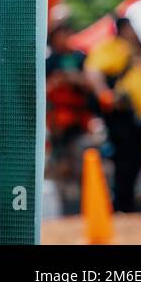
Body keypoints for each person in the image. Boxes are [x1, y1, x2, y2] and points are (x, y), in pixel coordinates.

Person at [86, 17, 141, 212]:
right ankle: (123, 205)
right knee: (126, 163)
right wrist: (105, 95)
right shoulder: (112, 47)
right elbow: (93, 70)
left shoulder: (137, 51)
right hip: (125, 116)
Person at [45, 21, 96, 213]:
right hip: (57, 124)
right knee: (61, 167)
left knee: (82, 163)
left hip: (79, 122)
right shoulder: (50, 61)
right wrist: (56, 81)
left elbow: (92, 84)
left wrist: (75, 78)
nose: (65, 37)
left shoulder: (80, 58)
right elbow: (43, 90)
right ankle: (67, 210)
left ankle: (87, 207)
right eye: (61, 33)